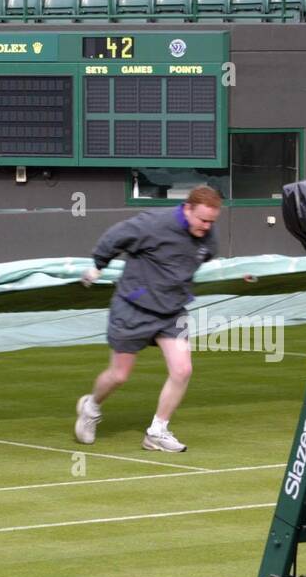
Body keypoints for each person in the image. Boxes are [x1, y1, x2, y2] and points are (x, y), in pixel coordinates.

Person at [74, 186, 221, 452]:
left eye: (212, 221)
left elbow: (201, 258)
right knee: (119, 375)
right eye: (202, 220)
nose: (207, 227)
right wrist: (97, 265)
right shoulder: (153, 223)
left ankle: (157, 432)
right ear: (187, 209)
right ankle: (91, 407)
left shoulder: (207, 236)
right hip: (134, 307)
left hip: (172, 311)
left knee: (183, 370)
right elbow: (115, 237)